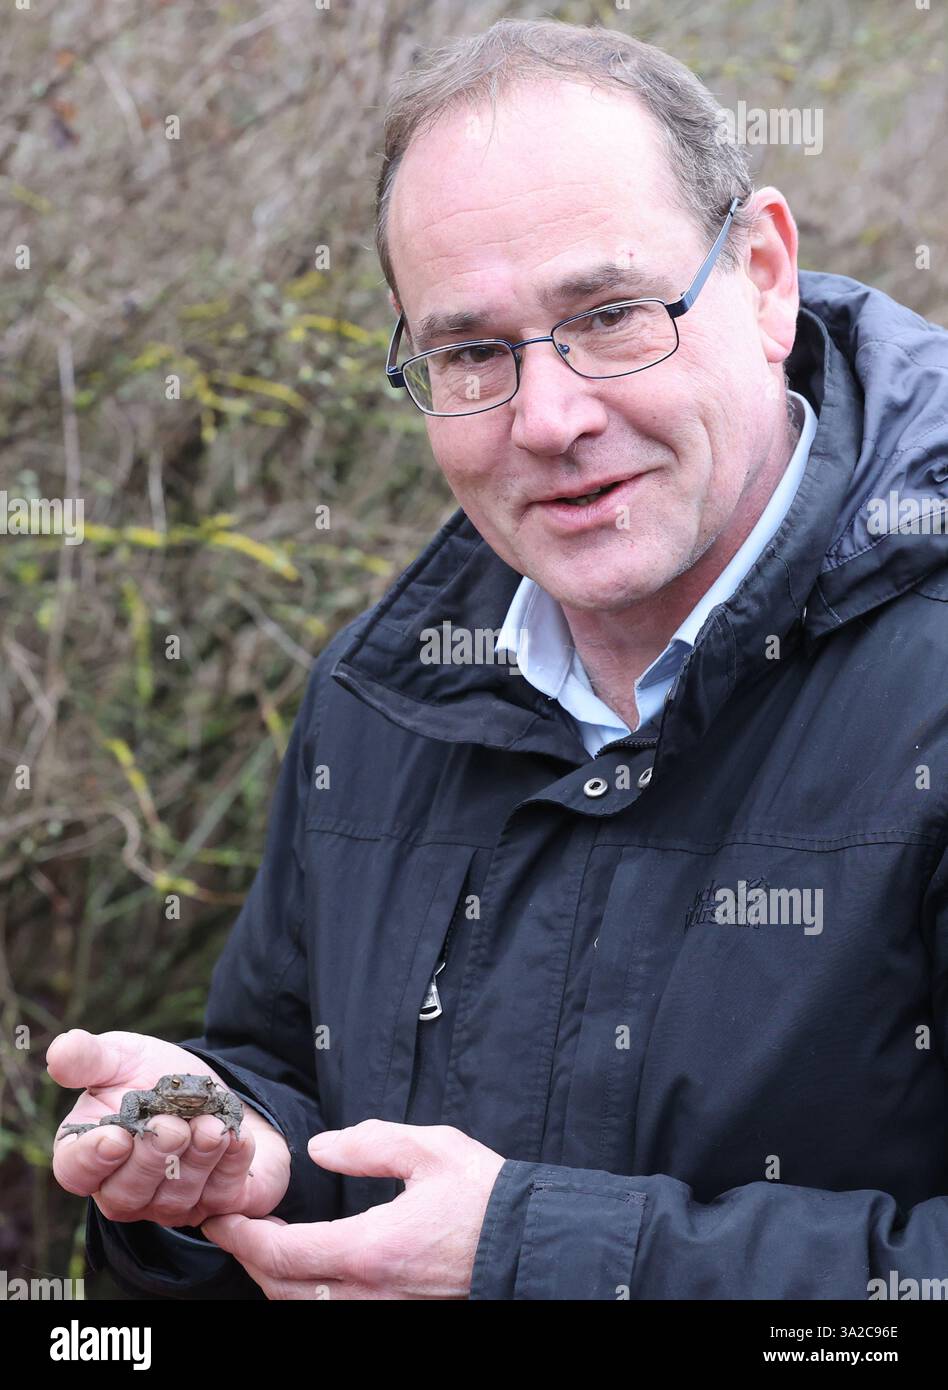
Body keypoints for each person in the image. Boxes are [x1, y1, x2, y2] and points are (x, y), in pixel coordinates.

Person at [49, 18, 948, 1300]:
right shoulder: (386, 694)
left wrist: (532, 1259)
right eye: (472, 352)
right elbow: (306, 1106)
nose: (550, 418)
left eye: (612, 314)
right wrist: (219, 1178)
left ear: (762, 274)